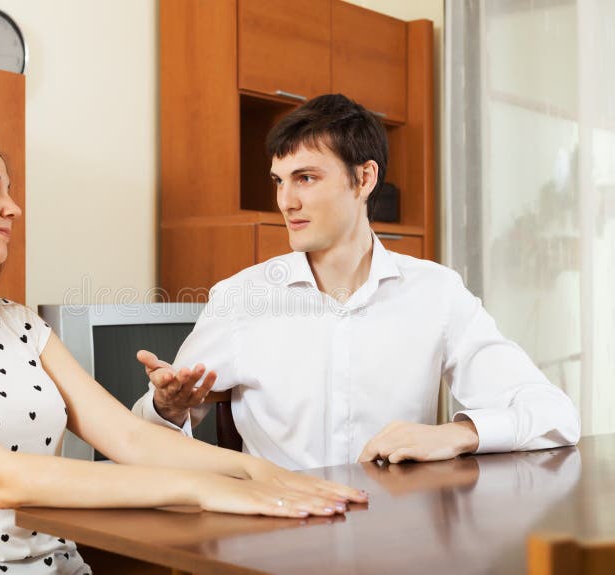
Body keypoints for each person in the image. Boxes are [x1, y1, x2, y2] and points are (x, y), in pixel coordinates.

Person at [0, 127, 366, 575]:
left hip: (62, 565)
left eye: (8, 191)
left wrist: (255, 473)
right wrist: (203, 490)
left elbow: (125, 435)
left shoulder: (17, 322)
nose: (13, 208)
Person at [132, 94, 581, 470]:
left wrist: (458, 433)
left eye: (305, 178)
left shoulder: (436, 293)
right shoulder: (239, 298)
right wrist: (167, 409)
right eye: (279, 181)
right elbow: (145, 439)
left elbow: (555, 415)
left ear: (364, 178)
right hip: (275, 546)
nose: (286, 201)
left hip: (395, 543)